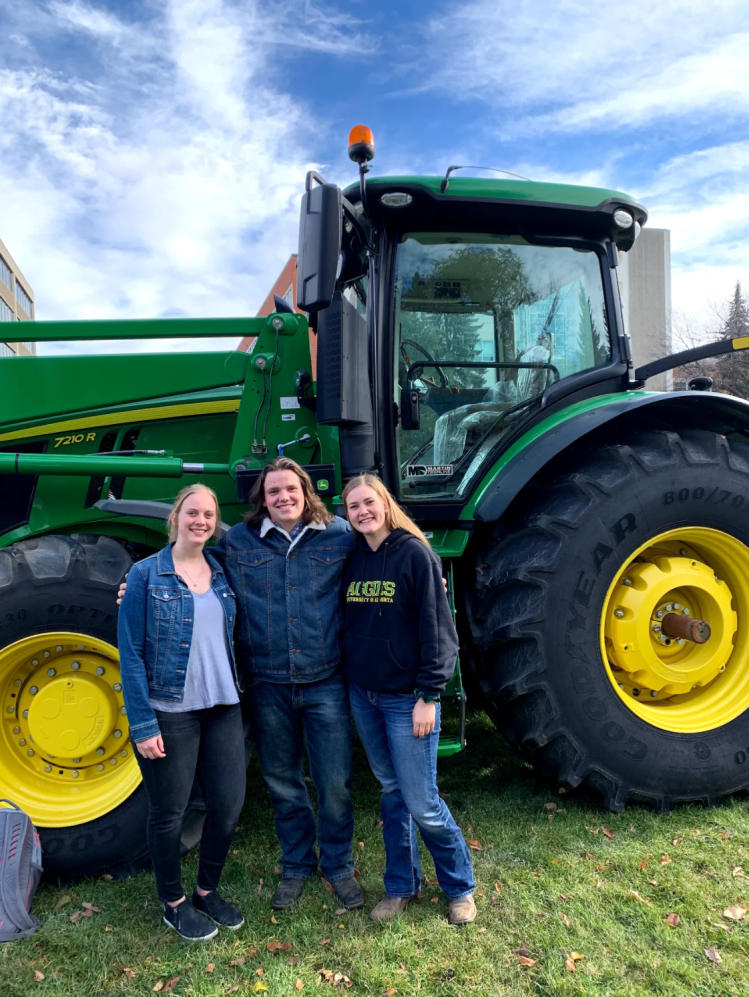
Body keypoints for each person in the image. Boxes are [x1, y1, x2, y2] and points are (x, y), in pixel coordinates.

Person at [215, 458, 361, 911]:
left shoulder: (339, 534)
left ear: (306, 492)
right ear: (262, 499)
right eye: (274, 491)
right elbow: (187, 564)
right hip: (268, 684)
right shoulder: (237, 543)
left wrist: (428, 571)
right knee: (283, 781)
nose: (283, 498)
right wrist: (133, 581)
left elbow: (391, 548)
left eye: (291, 490)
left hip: (325, 682)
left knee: (334, 782)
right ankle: (296, 863)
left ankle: (338, 864)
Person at [341, 474, 476, 925]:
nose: (362, 512)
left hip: (407, 699)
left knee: (422, 800)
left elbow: (440, 632)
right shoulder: (353, 555)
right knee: (391, 792)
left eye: (369, 502)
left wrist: (429, 696)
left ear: (385, 503)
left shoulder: (414, 553)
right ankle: (401, 886)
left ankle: (459, 887)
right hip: (364, 694)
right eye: (353, 506)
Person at [118, 484, 246, 941]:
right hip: (170, 711)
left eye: (209, 515)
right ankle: (172, 902)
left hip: (224, 707)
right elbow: (130, 653)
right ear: (175, 517)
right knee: (169, 812)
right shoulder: (144, 576)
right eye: (193, 513)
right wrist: (143, 723)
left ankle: (206, 892)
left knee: (228, 807)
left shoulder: (222, 571)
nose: (201, 521)